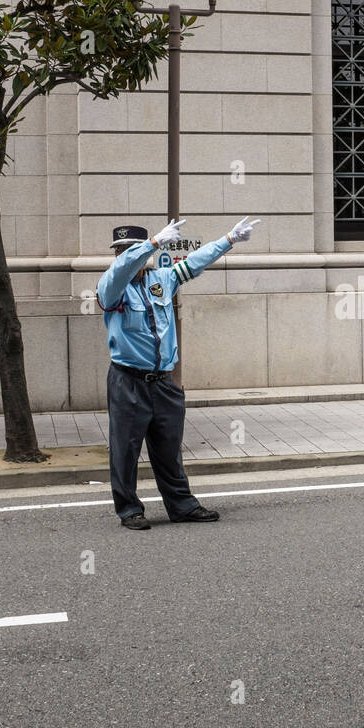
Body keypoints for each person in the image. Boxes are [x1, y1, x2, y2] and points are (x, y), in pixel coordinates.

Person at [97, 216, 261, 531]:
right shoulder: (111, 286)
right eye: (121, 250)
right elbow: (120, 270)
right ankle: (129, 510)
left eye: (131, 250)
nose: (125, 255)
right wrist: (153, 244)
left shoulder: (161, 278)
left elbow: (195, 263)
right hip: (127, 381)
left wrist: (228, 239)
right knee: (125, 449)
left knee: (169, 448)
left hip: (163, 383)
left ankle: (181, 506)